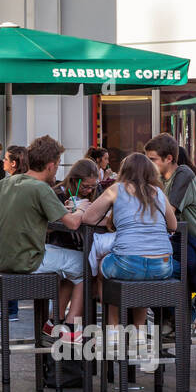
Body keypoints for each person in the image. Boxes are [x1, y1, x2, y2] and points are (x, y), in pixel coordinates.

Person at [0, 135, 85, 340]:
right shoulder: (42, 188)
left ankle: (54, 321)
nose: (57, 170)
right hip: (30, 262)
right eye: (57, 165)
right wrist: (82, 210)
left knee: (69, 270)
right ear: (50, 166)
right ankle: (70, 327)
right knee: (86, 265)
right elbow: (73, 223)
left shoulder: (7, 183)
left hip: (5, 260)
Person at [81, 153, 177, 357]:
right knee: (139, 278)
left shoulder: (116, 189)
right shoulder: (158, 192)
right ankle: (139, 335)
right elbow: (173, 225)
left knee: (104, 268)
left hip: (127, 264)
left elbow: (89, 218)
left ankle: (114, 330)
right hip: (162, 266)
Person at [144, 134, 196, 266]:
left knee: (152, 267)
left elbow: (166, 213)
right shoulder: (161, 179)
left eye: (152, 160)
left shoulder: (183, 174)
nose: (148, 164)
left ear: (169, 159)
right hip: (186, 247)